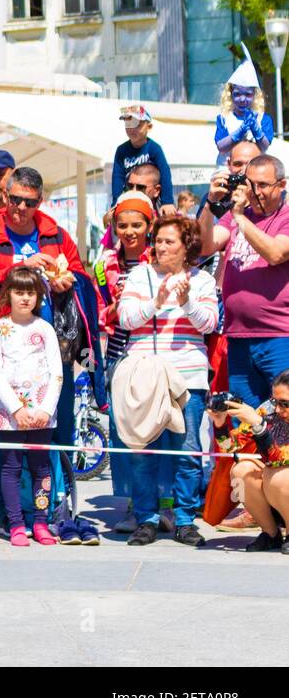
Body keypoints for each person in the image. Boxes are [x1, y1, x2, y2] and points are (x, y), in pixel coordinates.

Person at [0, 166, 86, 529]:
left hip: (50, 352)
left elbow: (79, 275)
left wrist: (67, 279)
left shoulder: (56, 234)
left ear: (40, 201)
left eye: (28, 202)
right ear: (4, 195)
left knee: (54, 433)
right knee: (6, 441)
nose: (19, 207)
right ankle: (9, 515)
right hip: (4, 351)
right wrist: (21, 267)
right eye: (13, 198)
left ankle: (53, 510)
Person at [117, 215, 218, 547]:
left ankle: (185, 519)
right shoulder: (139, 276)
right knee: (142, 449)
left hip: (188, 375)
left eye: (168, 241)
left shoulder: (202, 280)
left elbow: (208, 324)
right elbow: (126, 318)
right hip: (145, 373)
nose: (160, 247)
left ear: (185, 246)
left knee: (188, 451)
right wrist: (156, 302)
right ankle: (146, 518)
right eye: (158, 241)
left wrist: (186, 301)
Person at [200, 154, 289, 410]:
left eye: (263, 185)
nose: (255, 191)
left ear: (281, 186)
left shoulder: (283, 216)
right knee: (244, 422)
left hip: (279, 336)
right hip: (238, 337)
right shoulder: (235, 214)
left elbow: (275, 253)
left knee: (283, 420)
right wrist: (210, 204)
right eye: (251, 185)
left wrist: (240, 217)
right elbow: (205, 245)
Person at [0, 266, 62, 547]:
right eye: (19, 292)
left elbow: (57, 372)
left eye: (31, 292)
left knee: (41, 468)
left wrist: (45, 409)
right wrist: (17, 409)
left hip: (43, 413)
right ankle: (16, 523)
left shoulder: (45, 329)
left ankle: (41, 521)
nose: (25, 298)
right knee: (11, 468)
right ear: (9, 294)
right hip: (10, 413)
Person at [92, 192, 156, 527]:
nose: (129, 231)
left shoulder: (160, 258)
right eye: (122, 225)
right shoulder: (104, 265)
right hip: (118, 351)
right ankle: (134, 502)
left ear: (149, 224)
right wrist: (113, 311)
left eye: (137, 224)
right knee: (124, 429)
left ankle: (166, 501)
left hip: (155, 351)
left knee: (160, 428)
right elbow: (99, 310)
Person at [212, 374, 289, 554]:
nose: (277, 409)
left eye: (285, 403)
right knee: (241, 470)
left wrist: (258, 426)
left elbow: (277, 459)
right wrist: (220, 423)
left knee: (276, 474)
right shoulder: (267, 410)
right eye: (274, 401)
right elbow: (230, 447)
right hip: (278, 493)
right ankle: (270, 533)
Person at [213, 49, 274, 162]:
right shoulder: (224, 118)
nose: (242, 99)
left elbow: (264, 146)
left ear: (255, 95)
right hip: (227, 172)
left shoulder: (263, 119)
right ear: (230, 94)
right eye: (237, 94)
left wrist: (255, 129)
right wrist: (240, 131)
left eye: (248, 94)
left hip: (255, 171)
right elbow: (221, 148)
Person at [113, 105, 175, 208]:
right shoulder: (121, 150)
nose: (132, 129)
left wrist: (167, 201)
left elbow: (165, 174)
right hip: (129, 197)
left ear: (149, 127)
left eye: (137, 124)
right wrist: (116, 203)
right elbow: (117, 178)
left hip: (152, 200)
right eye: (128, 124)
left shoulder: (154, 148)